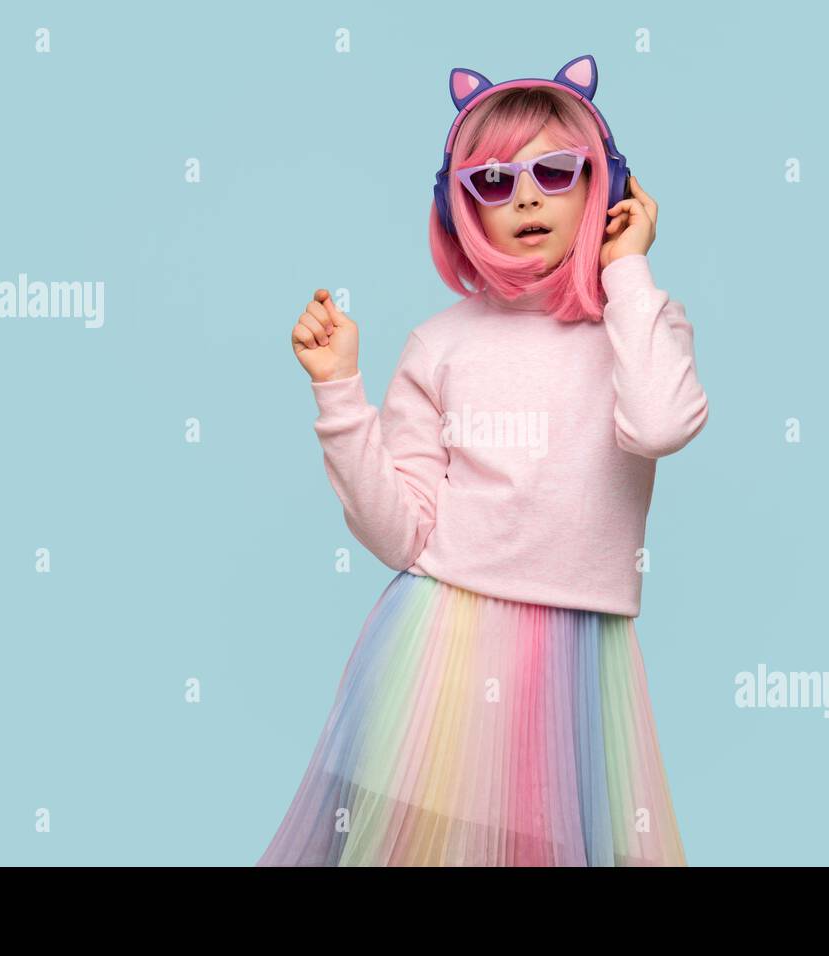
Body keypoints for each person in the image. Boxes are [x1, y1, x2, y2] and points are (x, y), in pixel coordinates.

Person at [260, 54, 709, 866]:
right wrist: (340, 395)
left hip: (584, 654)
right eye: (493, 181)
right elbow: (402, 535)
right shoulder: (440, 345)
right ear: (460, 206)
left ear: (607, 188)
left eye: (557, 170)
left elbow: (660, 424)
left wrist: (628, 269)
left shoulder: (640, 322)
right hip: (444, 645)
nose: (528, 195)